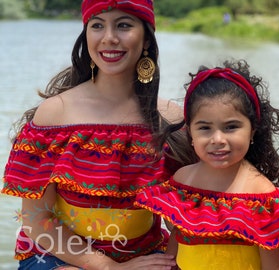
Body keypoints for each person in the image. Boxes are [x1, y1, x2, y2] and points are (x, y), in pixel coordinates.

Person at [1, 0, 195, 269]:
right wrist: (111, 268)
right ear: (86, 35)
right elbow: (37, 219)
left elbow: (183, 218)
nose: (109, 38)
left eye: (124, 25)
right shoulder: (54, 115)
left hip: (145, 257)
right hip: (58, 258)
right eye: (97, 26)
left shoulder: (170, 120)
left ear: (147, 39)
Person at [135, 59, 279, 269]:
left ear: (253, 131)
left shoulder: (263, 201)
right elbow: (176, 242)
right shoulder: (183, 181)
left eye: (231, 127)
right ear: (190, 132)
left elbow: (275, 267)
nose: (218, 139)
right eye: (204, 128)